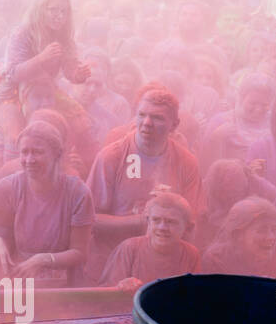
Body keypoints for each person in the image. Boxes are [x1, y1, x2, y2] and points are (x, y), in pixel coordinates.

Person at [84, 86, 201, 284]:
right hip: (113, 264)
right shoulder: (112, 156)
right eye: (141, 115)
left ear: (174, 124)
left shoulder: (186, 162)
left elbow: (191, 223)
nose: (147, 123)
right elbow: (88, 220)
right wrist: (140, 221)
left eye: (157, 118)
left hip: (164, 267)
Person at [0, 121, 93, 287]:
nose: (30, 160)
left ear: (57, 155)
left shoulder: (78, 192)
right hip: (23, 278)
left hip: (67, 284)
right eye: (24, 152)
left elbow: (79, 252)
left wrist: (43, 259)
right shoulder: (8, 187)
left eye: (37, 152)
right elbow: (3, 234)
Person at [0, 0, 91, 142]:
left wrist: (78, 75)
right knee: (15, 136)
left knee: (80, 122)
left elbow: (69, 69)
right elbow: (13, 73)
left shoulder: (64, 38)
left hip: (45, 93)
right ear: (40, 9)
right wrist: (41, 58)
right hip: (12, 95)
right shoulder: (23, 33)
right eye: (53, 10)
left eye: (64, 12)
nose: (59, 16)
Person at [100, 188, 200, 290]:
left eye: (171, 222)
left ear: (186, 227)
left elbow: (194, 294)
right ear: (148, 222)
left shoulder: (190, 254)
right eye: (156, 220)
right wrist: (121, 286)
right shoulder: (129, 249)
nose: (162, 228)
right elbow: (105, 297)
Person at [199, 197, 276, 278]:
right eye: (261, 230)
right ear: (238, 234)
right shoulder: (217, 259)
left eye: (274, 229)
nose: (271, 237)